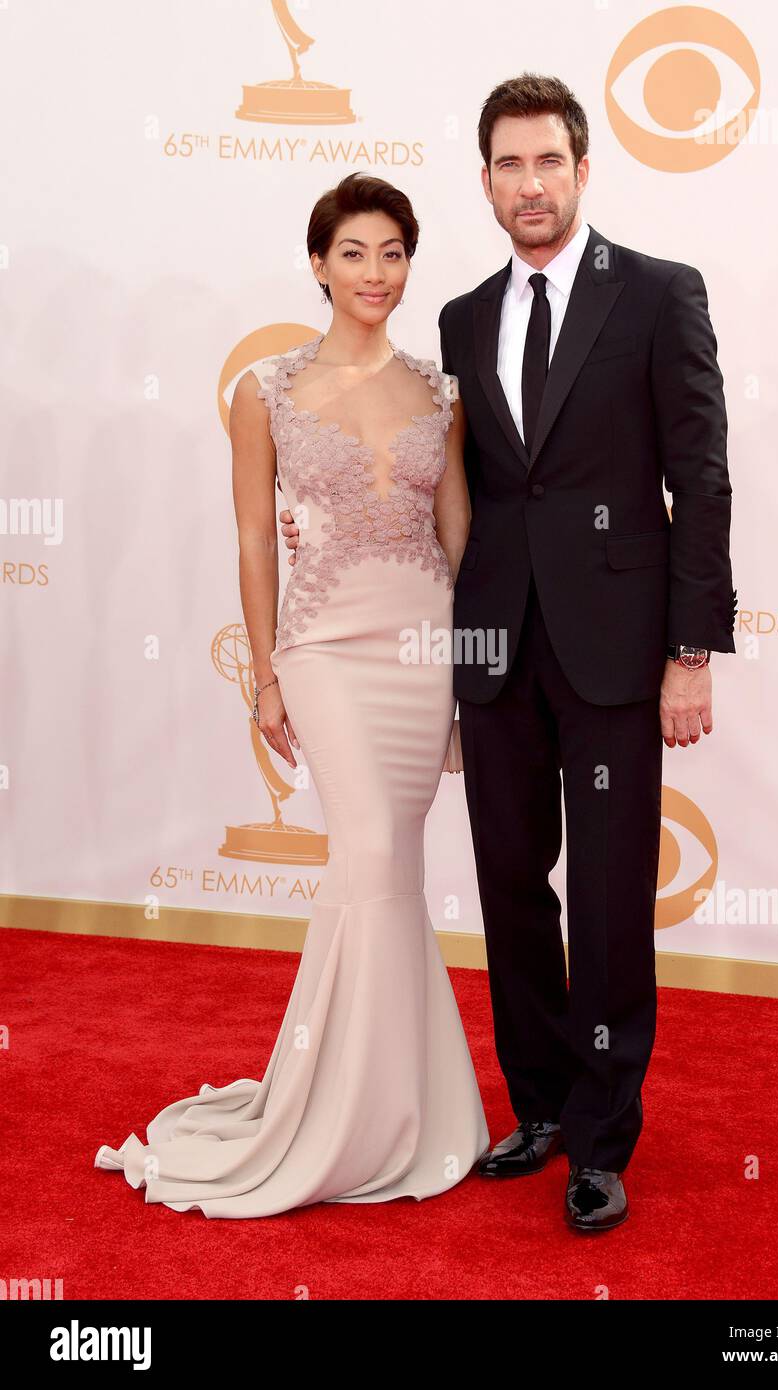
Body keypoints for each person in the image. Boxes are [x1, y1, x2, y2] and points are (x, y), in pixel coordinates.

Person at [281, 75, 736, 1233]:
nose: (528, 185)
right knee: (509, 890)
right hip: (492, 647)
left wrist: (692, 648)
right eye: (506, 166)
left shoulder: (658, 294)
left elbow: (702, 479)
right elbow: (471, 494)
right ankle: (535, 1104)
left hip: (618, 649)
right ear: (484, 180)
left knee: (608, 894)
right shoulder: (463, 319)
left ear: (582, 170)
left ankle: (599, 1134)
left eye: (547, 163)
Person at [93, 172, 489, 1217]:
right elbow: (251, 538)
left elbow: (457, 532)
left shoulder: (441, 393)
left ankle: (395, 1102)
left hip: (421, 649)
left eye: (393, 252)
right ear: (318, 264)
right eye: (353, 252)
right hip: (322, 647)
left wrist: (467, 674)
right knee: (365, 855)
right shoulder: (263, 388)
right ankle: (337, 1113)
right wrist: (266, 673)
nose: (375, 272)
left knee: (390, 864)